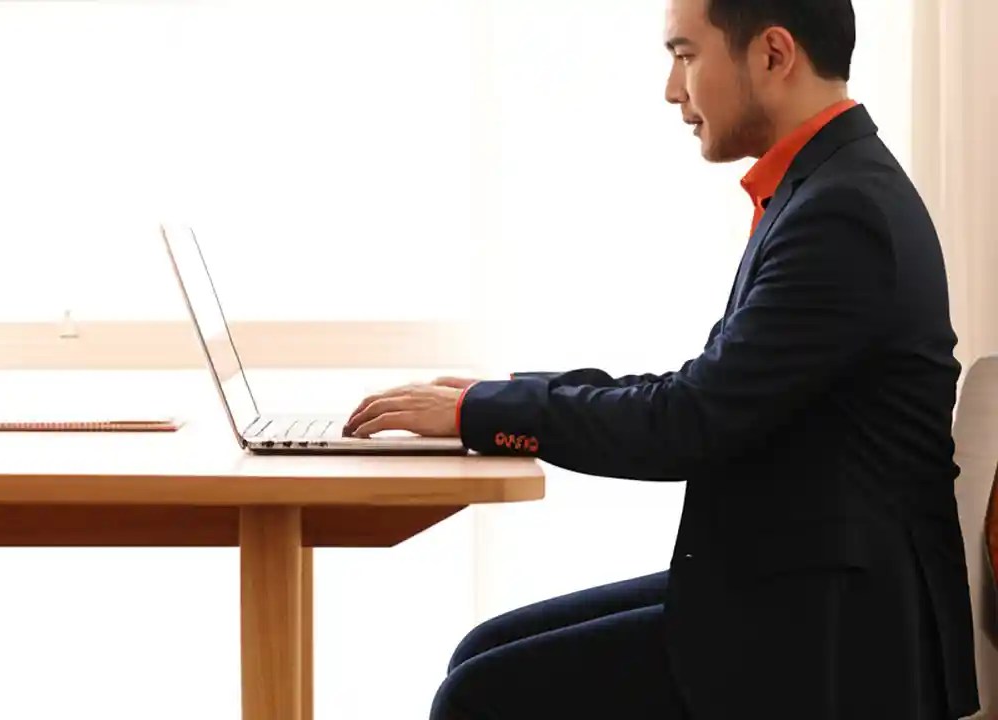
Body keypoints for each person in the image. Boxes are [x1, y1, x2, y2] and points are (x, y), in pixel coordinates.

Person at [342, 0, 982, 718]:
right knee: (481, 654)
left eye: (685, 55)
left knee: (478, 696)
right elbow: (702, 392)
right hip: (799, 585)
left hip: (833, 633)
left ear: (773, 54)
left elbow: (687, 421)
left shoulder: (842, 213)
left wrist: (482, 412)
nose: (673, 89)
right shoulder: (827, 187)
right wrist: (497, 394)